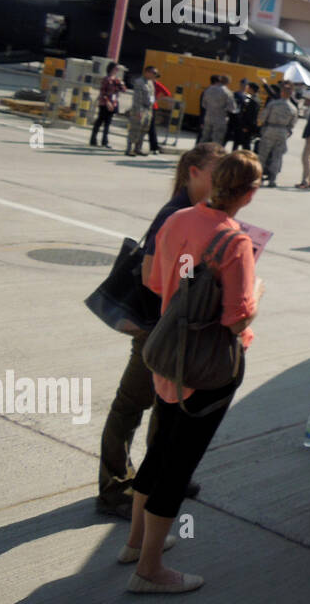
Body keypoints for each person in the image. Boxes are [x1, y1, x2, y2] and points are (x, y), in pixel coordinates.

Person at [125, 150, 263, 593]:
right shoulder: (234, 242)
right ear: (249, 193)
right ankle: (149, 570)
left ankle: (135, 542)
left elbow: (154, 279)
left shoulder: (178, 219)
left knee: (159, 450)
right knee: (178, 465)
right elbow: (236, 320)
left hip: (168, 354)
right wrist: (257, 292)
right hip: (205, 366)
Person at [96, 144, 225, 518]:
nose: (221, 180)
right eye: (216, 172)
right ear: (194, 172)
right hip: (156, 328)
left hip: (175, 326)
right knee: (130, 406)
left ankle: (157, 478)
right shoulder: (175, 214)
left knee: (168, 406)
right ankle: (114, 488)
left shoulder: (199, 212)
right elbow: (153, 275)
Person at [255, 81, 299, 186]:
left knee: (263, 154)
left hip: (270, 129)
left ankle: (259, 177)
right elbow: (293, 123)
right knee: (277, 156)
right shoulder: (293, 108)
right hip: (283, 131)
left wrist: (262, 126)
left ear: (282, 93)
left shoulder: (273, 104)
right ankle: (272, 180)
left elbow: (263, 117)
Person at [126, 66, 159, 156]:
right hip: (140, 108)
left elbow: (152, 96)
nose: (155, 75)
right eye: (153, 73)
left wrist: (151, 110)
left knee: (144, 130)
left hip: (148, 109)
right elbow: (137, 98)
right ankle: (129, 149)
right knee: (135, 129)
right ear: (147, 72)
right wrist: (138, 111)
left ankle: (138, 148)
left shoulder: (151, 83)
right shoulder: (139, 82)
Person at [90, 62, 124, 148]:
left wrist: (121, 83)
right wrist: (107, 102)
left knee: (108, 123)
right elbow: (103, 92)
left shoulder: (117, 80)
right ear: (111, 69)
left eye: (118, 69)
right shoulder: (106, 79)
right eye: (116, 68)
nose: (117, 70)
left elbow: (123, 90)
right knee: (100, 121)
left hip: (113, 103)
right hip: (105, 103)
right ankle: (93, 139)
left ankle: (104, 141)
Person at [199, 74, 235, 146]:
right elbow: (232, 108)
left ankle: (201, 151)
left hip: (208, 117)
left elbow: (203, 104)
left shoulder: (209, 89)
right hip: (220, 119)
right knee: (217, 141)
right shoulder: (227, 92)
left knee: (205, 138)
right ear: (228, 82)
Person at [148, 74, 172, 155]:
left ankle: (154, 147)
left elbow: (167, 93)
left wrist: (157, 98)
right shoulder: (147, 83)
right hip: (146, 106)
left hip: (152, 107)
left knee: (151, 128)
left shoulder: (156, 85)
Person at [234, 81, 261, 150]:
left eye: (248, 87)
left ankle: (248, 156)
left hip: (247, 126)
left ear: (251, 89)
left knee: (245, 144)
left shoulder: (253, 100)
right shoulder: (254, 98)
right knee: (240, 142)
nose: (247, 89)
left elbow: (251, 115)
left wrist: (246, 127)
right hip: (246, 125)